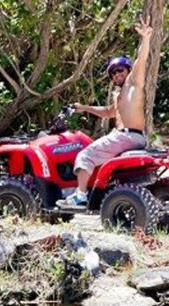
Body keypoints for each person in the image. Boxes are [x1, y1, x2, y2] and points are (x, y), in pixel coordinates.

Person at [57, 16, 153, 209]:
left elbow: (141, 60)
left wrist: (146, 38)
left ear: (128, 71)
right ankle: (100, 193)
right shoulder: (121, 95)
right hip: (132, 137)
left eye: (120, 71)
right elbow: (109, 112)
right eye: (113, 73)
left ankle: (80, 196)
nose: (117, 74)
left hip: (126, 136)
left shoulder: (133, 84)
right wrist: (84, 108)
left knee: (85, 156)